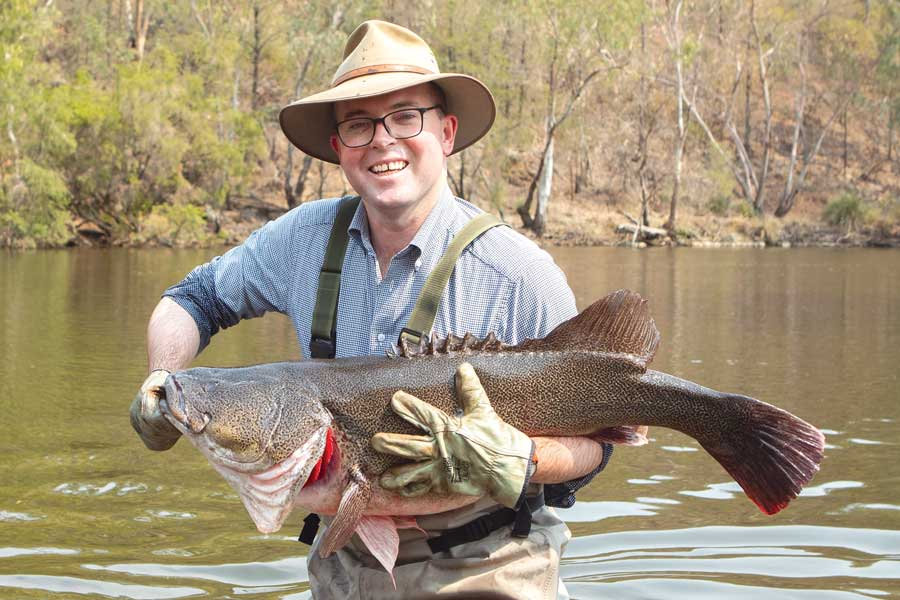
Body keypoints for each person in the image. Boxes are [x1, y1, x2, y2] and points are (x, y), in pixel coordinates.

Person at [131, 20, 610, 599]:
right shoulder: (299, 241)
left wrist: (523, 457)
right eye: (359, 125)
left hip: (491, 566)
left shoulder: (521, 276)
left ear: (447, 132)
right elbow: (192, 300)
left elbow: (597, 445)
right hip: (346, 566)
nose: (383, 140)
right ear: (339, 149)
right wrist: (163, 381)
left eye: (405, 116)